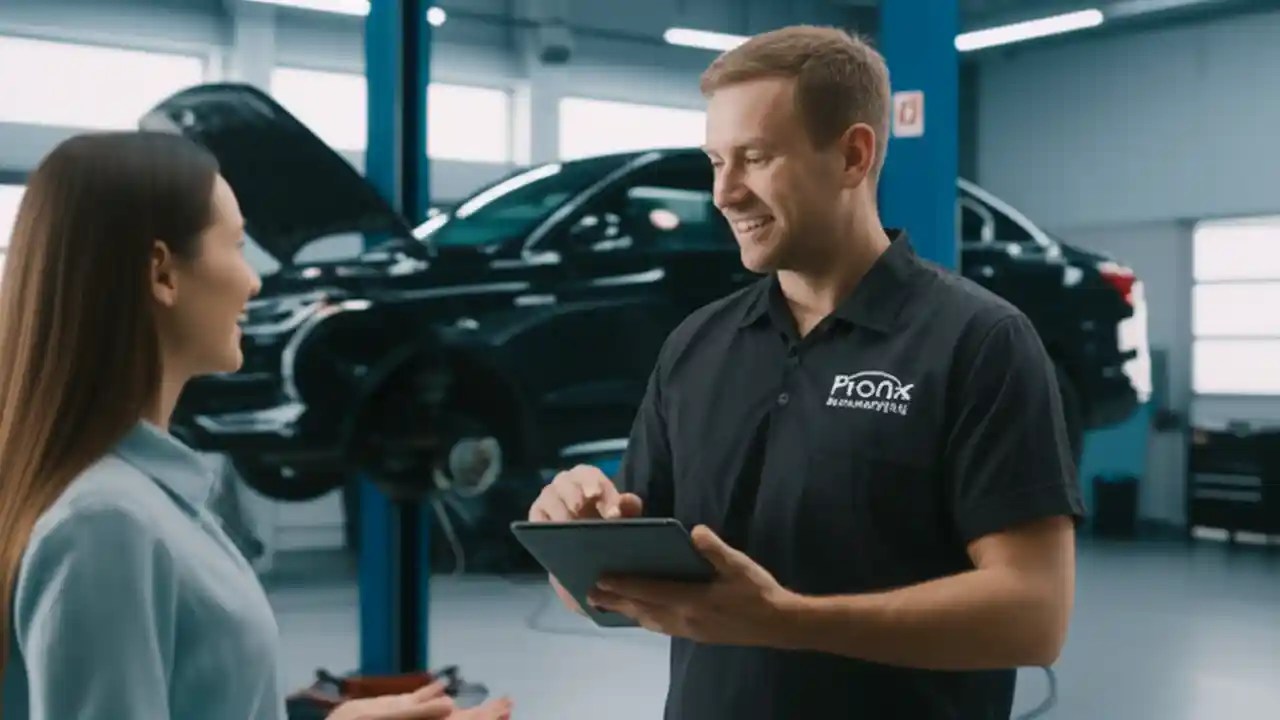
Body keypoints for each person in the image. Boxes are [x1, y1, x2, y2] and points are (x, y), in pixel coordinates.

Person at [527, 25, 1084, 720]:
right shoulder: (696, 347)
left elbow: (1033, 615)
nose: (724, 192)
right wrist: (573, 540)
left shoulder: (979, 343)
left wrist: (786, 620)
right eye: (716, 161)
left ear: (853, 155)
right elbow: (609, 592)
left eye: (755, 158)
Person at [0, 132, 513, 720]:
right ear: (163, 274)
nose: (254, 281)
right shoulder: (105, 523)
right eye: (237, 245)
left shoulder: (133, 502)